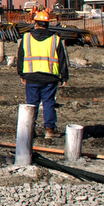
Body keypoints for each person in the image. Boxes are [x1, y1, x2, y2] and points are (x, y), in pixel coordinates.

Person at [15, 10, 70, 141]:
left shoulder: (26, 38)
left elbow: (20, 57)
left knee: (31, 104)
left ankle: (30, 129)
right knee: (49, 103)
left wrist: (21, 74)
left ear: (36, 23)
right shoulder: (55, 39)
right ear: (47, 24)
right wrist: (64, 76)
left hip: (31, 76)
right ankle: (50, 130)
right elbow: (62, 59)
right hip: (50, 77)